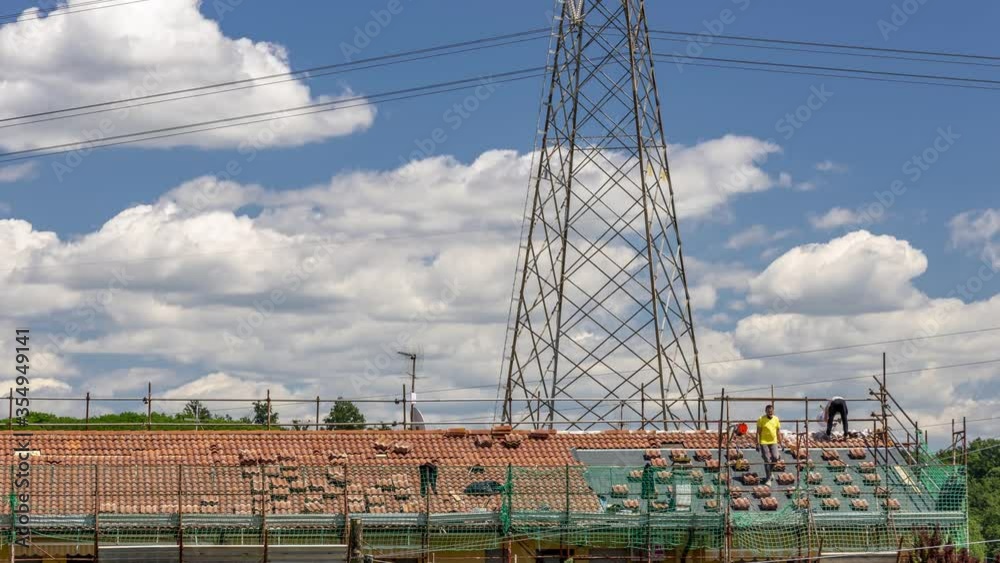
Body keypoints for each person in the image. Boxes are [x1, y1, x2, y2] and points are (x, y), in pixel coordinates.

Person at [756, 404, 782, 486]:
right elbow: (758, 432)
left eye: (771, 411)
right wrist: (757, 443)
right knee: (767, 460)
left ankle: (770, 472)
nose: (770, 412)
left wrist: (781, 442)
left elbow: (778, 432)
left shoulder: (776, 419)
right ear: (766, 411)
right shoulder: (761, 419)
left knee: (775, 457)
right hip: (764, 442)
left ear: (773, 411)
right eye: (768, 411)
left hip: (773, 441)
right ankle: (768, 479)